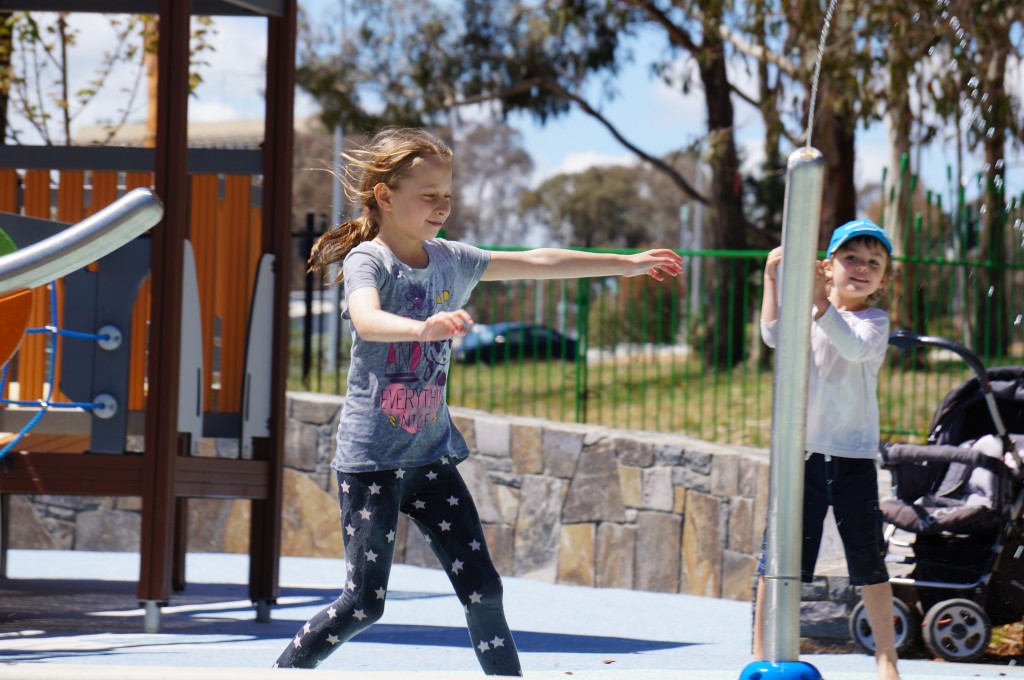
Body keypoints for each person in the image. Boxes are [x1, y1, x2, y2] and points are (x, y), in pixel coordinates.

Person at [272, 127, 684, 675]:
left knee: (484, 590)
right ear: (385, 196)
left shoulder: (453, 260)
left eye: (447, 194)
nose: (442, 206)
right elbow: (367, 320)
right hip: (372, 462)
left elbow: (537, 261)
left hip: (430, 458)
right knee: (364, 604)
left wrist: (624, 263)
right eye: (429, 195)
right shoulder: (370, 261)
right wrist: (422, 329)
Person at [751, 219, 900, 680]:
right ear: (826, 266)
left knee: (868, 561)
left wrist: (819, 302)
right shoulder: (807, 312)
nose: (861, 268)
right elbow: (773, 335)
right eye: (851, 258)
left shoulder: (874, 322)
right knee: (779, 559)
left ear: (883, 280)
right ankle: (760, 651)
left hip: (852, 457)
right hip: (802, 457)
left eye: (873, 263)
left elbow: (852, 348)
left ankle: (886, 659)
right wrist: (772, 279)